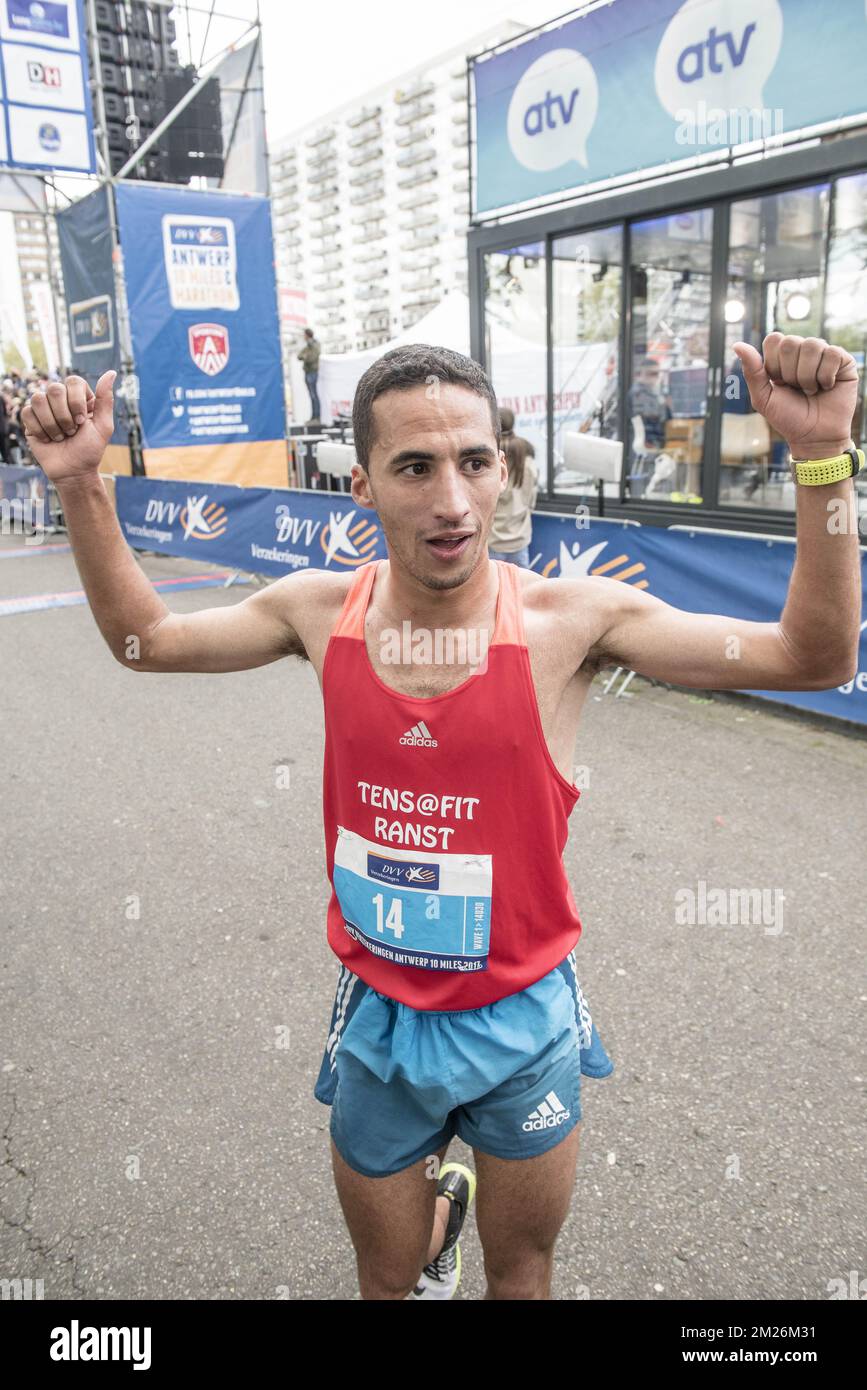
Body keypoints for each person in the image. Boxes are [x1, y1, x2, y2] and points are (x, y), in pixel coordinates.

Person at [22, 335, 861, 1300]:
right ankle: (433, 1231)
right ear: (362, 488)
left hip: (522, 1020)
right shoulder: (314, 608)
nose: (452, 502)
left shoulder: (572, 620)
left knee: (521, 1276)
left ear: (502, 469)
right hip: (381, 1021)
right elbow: (148, 640)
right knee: (388, 1282)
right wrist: (82, 482)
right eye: (413, 468)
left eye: (472, 462)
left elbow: (813, 657)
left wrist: (819, 459)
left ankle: (455, 1211)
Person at [488, 407, 537, 567]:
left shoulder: (488, 460)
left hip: (493, 541)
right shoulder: (528, 459)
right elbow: (531, 502)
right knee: (521, 589)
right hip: (520, 540)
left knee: (494, 591)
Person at [297, 327, 321, 423]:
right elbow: (299, 356)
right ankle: (313, 416)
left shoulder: (315, 345)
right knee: (312, 396)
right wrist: (305, 356)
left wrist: (305, 357)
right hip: (308, 372)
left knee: (314, 395)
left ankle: (316, 416)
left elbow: (312, 358)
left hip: (312, 372)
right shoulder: (308, 347)